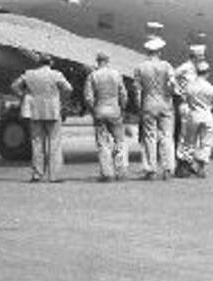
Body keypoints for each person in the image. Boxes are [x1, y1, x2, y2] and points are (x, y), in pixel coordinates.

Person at [11, 58, 73, 183]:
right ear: (50, 63)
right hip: (53, 111)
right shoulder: (56, 74)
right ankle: (54, 176)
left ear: (38, 63)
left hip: (35, 111)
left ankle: (37, 174)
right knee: (54, 143)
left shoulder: (29, 74)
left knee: (37, 143)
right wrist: (61, 100)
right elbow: (68, 88)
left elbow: (14, 86)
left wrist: (23, 95)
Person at [176, 61, 213, 178]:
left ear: (197, 72)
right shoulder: (210, 88)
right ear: (207, 73)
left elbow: (185, 99)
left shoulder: (190, 86)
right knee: (205, 143)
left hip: (193, 115)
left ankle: (185, 167)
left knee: (189, 142)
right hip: (207, 115)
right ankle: (200, 168)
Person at [133, 36, 176, 180]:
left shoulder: (140, 67)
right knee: (167, 136)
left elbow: (137, 90)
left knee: (149, 137)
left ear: (147, 51)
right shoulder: (167, 66)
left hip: (148, 104)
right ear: (159, 52)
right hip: (165, 104)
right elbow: (172, 86)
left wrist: (139, 106)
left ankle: (150, 169)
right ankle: (168, 168)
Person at [84, 51, 128, 181]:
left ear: (97, 61)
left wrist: (93, 109)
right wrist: (122, 108)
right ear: (108, 61)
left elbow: (88, 97)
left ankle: (107, 173)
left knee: (103, 143)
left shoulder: (92, 76)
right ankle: (120, 170)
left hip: (100, 111)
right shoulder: (116, 74)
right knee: (119, 141)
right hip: (115, 111)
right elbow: (123, 94)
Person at [172, 44, 206, 175]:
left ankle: (188, 162)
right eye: (201, 56)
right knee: (183, 135)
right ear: (194, 56)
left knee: (191, 135)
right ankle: (181, 167)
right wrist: (177, 92)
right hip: (185, 104)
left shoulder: (195, 69)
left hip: (193, 105)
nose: (203, 58)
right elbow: (172, 77)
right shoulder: (185, 68)